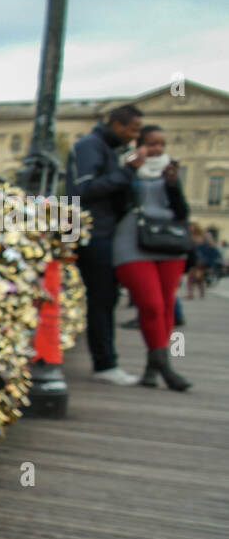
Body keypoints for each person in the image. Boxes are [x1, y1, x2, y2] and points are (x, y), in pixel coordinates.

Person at [68, 104, 144, 385]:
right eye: (132, 129)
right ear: (117, 125)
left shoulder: (104, 148)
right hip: (88, 230)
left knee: (105, 296)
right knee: (102, 296)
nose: (133, 136)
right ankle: (105, 364)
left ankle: (106, 361)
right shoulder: (91, 145)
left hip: (94, 228)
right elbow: (85, 189)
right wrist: (128, 171)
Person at [111, 125, 191, 390]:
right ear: (139, 145)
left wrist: (172, 185)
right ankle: (165, 367)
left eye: (161, 144)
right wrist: (130, 170)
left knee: (166, 305)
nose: (157, 149)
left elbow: (181, 211)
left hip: (167, 242)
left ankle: (151, 367)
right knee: (151, 305)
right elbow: (117, 203)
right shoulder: (125, 168)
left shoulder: (169, 171)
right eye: (152, 144)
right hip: (132, 239)